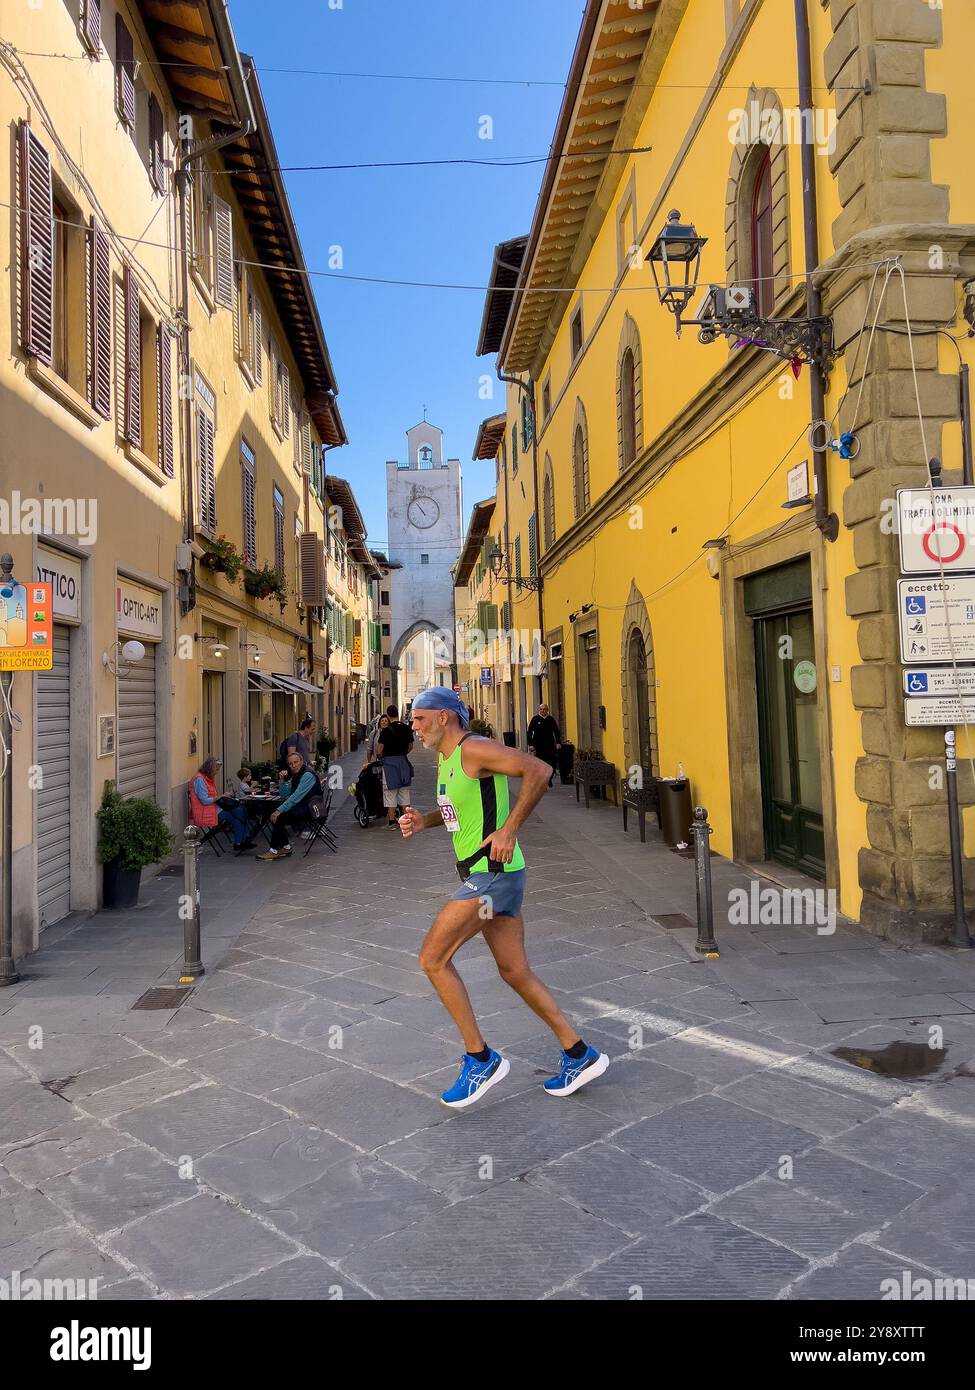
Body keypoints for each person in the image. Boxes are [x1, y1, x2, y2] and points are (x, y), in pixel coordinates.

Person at [400, 687, 608, 1108]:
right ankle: (579, 1054)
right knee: (514, 971)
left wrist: (511, 828)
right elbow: (457, 809)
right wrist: (423, 821)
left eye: (419, 718)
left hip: (491, 877)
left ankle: (481, 1059)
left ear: (444, 717)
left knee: (433, 959)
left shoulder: (475, 748)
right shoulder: (446, 759)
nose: (414, 726)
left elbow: (540, 770)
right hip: (496, 876)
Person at [258, 749, 319, 861]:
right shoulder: (296, 775)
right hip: (302, 808)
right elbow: (284, 795)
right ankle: (285, 847)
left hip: (310, 811)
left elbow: (295, 798)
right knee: (273, 812)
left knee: (278, 816)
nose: (293, 765)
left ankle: (274, 850)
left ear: (302, 761)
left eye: (295, 762)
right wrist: (282, 780)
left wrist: (279, 810)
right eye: (290, 764)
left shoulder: (307, 775)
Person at [189, 757, 254, 854]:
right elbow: (204, 801)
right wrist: (222, 796)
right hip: (206, 810)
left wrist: (222, 797)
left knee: (240, 814)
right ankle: (241, 842)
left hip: (213, 808)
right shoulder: (199, 780)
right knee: (240, 813)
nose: (217, 772)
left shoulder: (205, 778)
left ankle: (240, 842)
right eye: (216, 770)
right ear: (210, 768)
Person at [377, 709, 414, 829]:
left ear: (387, 715)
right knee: (404, 794)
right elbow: (410, 746)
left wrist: (381, 756)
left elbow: (379, 750)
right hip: (403, 762)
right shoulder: (406, 728)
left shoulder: (386, 731)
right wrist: (402, 753)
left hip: (389, 765)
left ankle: (392, 822)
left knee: (390, 794)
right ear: (398, 714)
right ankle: (407, 821)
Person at [527, 703, 562, 787]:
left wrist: (558, 742)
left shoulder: (551, 719)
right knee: (541, 764)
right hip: (539, 746)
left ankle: (548, 778)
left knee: (552, 763)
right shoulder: (535, 719)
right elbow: (529, 732)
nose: (542, 711)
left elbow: (556, 731)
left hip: (550, 745)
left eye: (544, 709)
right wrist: (530, 744)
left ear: (547, 710)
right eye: (541, 709)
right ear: (539, 710)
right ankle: (543, 780)